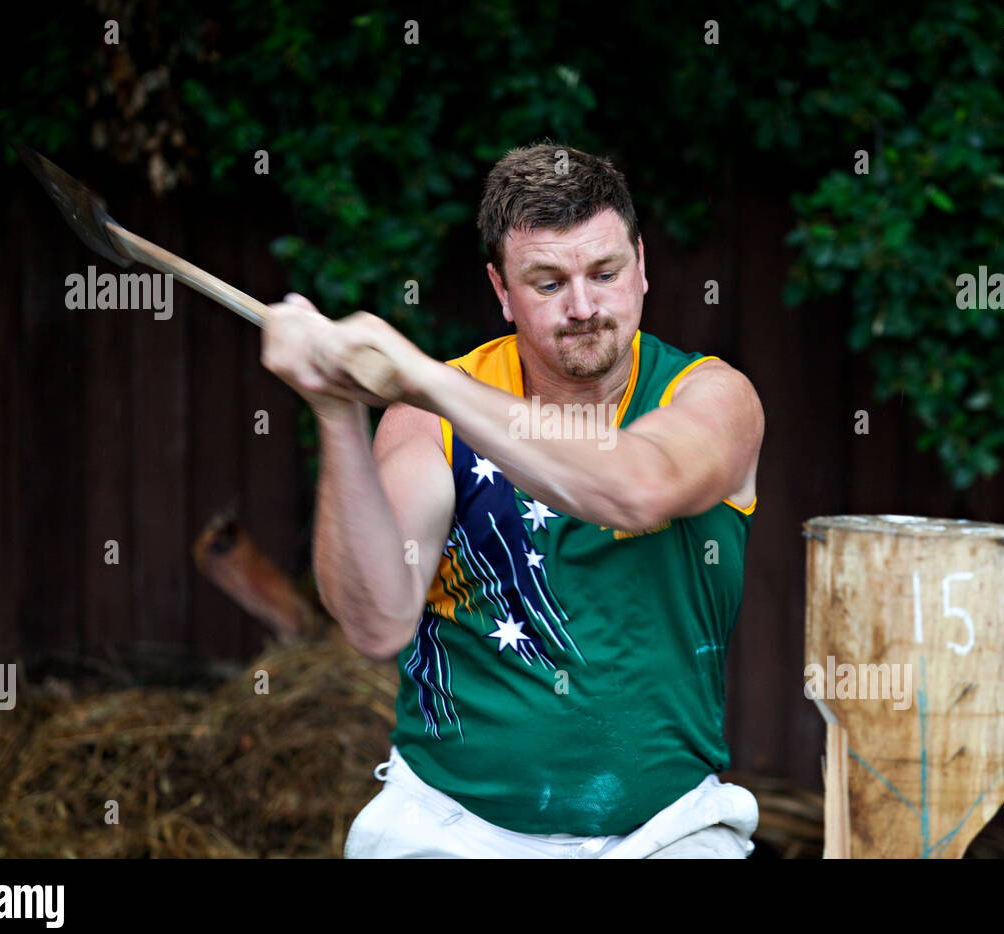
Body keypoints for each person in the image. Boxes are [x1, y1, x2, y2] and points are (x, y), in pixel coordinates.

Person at [261, 142, 765, 858]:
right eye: (548, 283)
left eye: (605, 272)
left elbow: (637, 487)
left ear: (643, 266)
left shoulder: (713, 396)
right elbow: (375, 624)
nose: (584, 306)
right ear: (501, 291)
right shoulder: (425, 417)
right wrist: (336, 412)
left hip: (667, 829)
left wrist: (424, 377)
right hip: (448, 826)